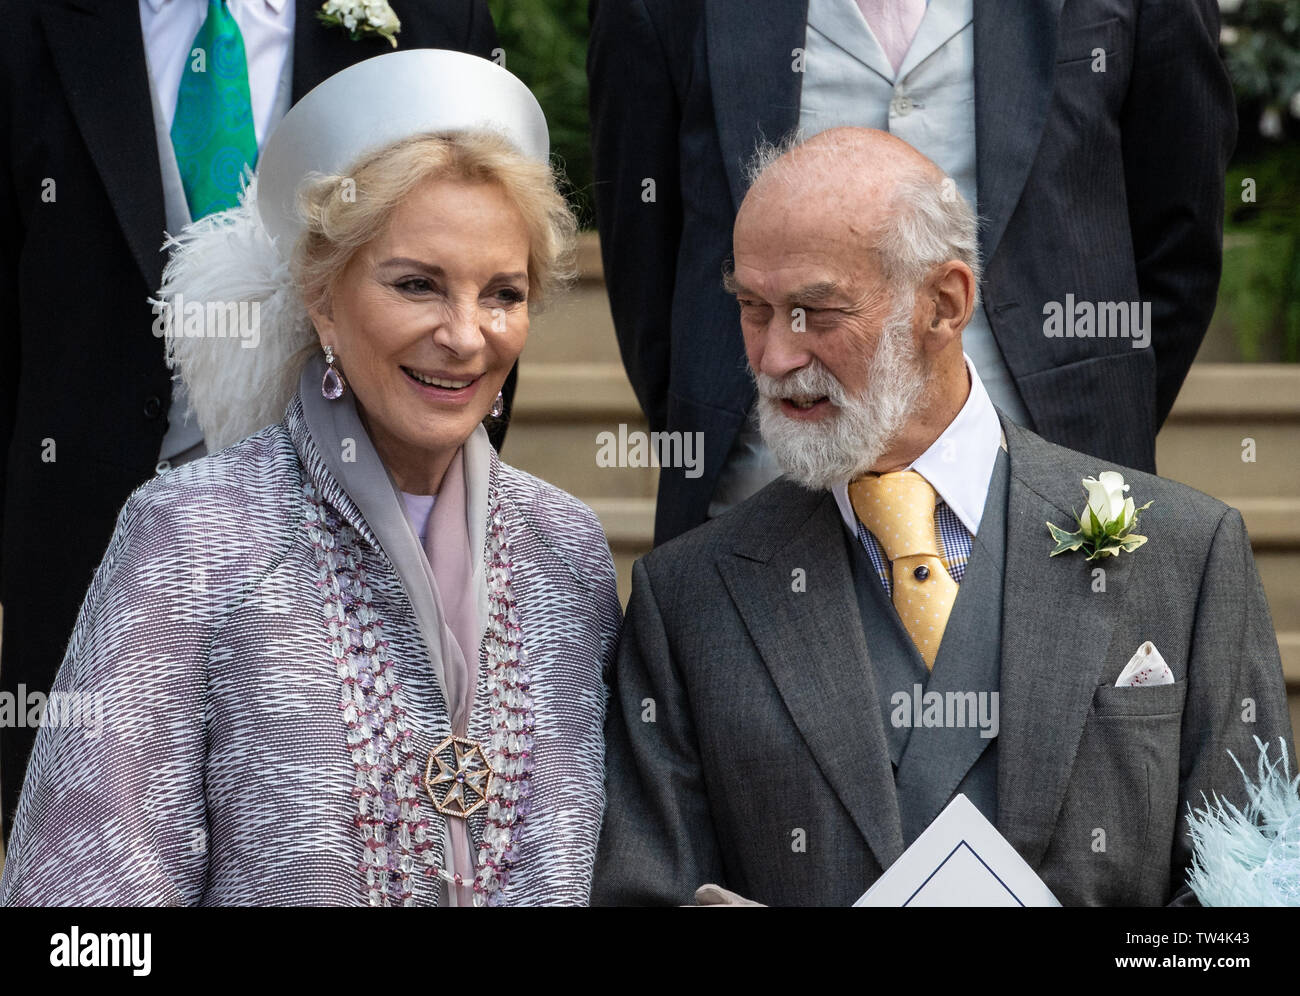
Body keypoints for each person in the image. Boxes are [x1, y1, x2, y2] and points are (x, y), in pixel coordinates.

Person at [592, 129, 1292, 907]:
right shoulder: (686, 599)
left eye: (815, 311)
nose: (775, 357)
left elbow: (1251, 887)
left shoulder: (1188, 555)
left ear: (945, 304)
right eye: (754, 309)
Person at [1, 50, 620, 906]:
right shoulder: (191, 536)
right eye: (418, 285)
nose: (466, 335)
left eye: (503, 294)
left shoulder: (570, 552)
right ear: (322, 298)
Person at [587, 0, 1235, 545]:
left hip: (1063, 498)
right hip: (758, 505)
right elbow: (645, 260)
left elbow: (1178, 235)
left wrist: (1092, 404)